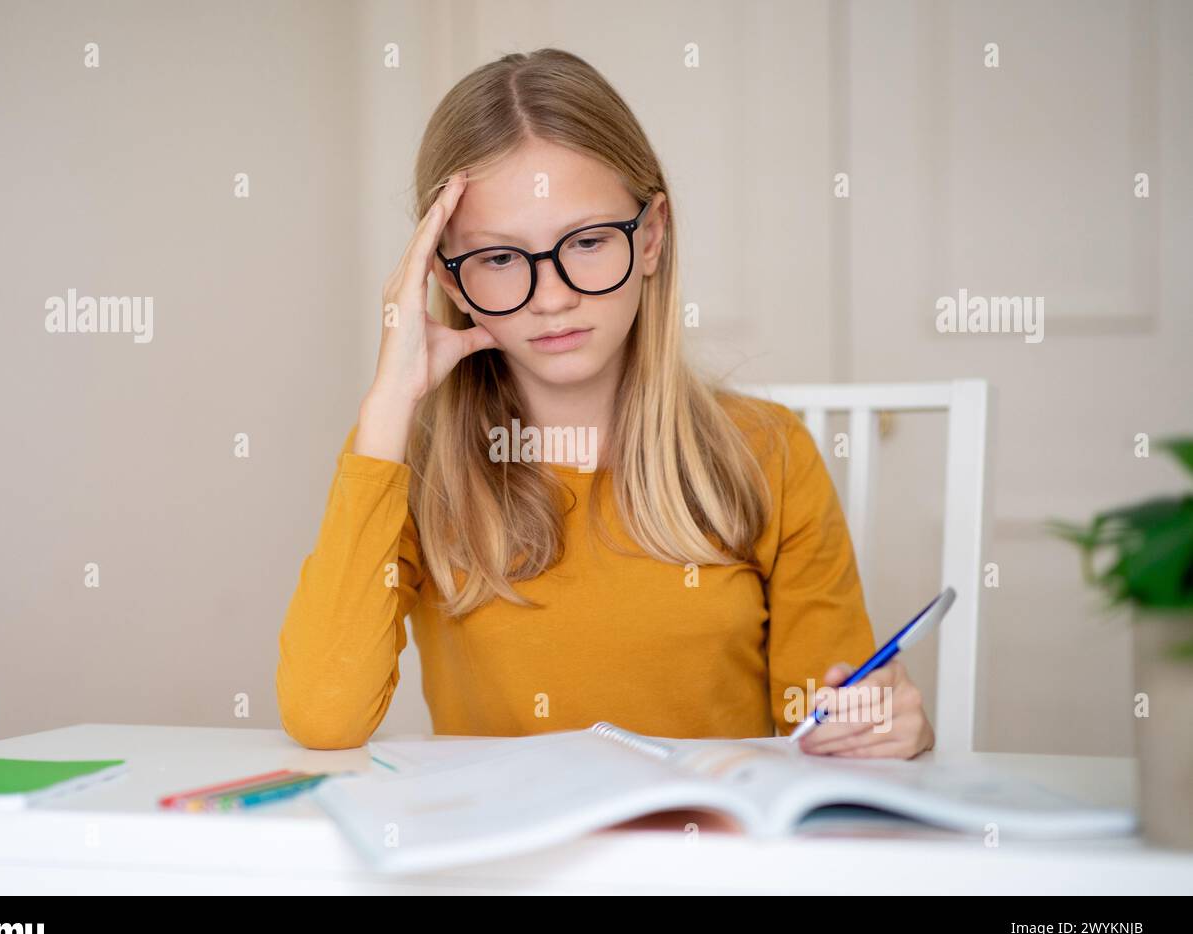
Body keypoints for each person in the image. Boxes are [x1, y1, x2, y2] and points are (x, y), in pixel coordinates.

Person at [277, 48, 934, 758]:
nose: (554, 296)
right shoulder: (413, 461)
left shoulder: (770, 455)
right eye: (499, 258)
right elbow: (323, 715)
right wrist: (388, 403)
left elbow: (826, 733)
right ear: (450, 279)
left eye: (587, 242)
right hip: (508, 864)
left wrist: (881, 728)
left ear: (650, 237)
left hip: (705, 859)